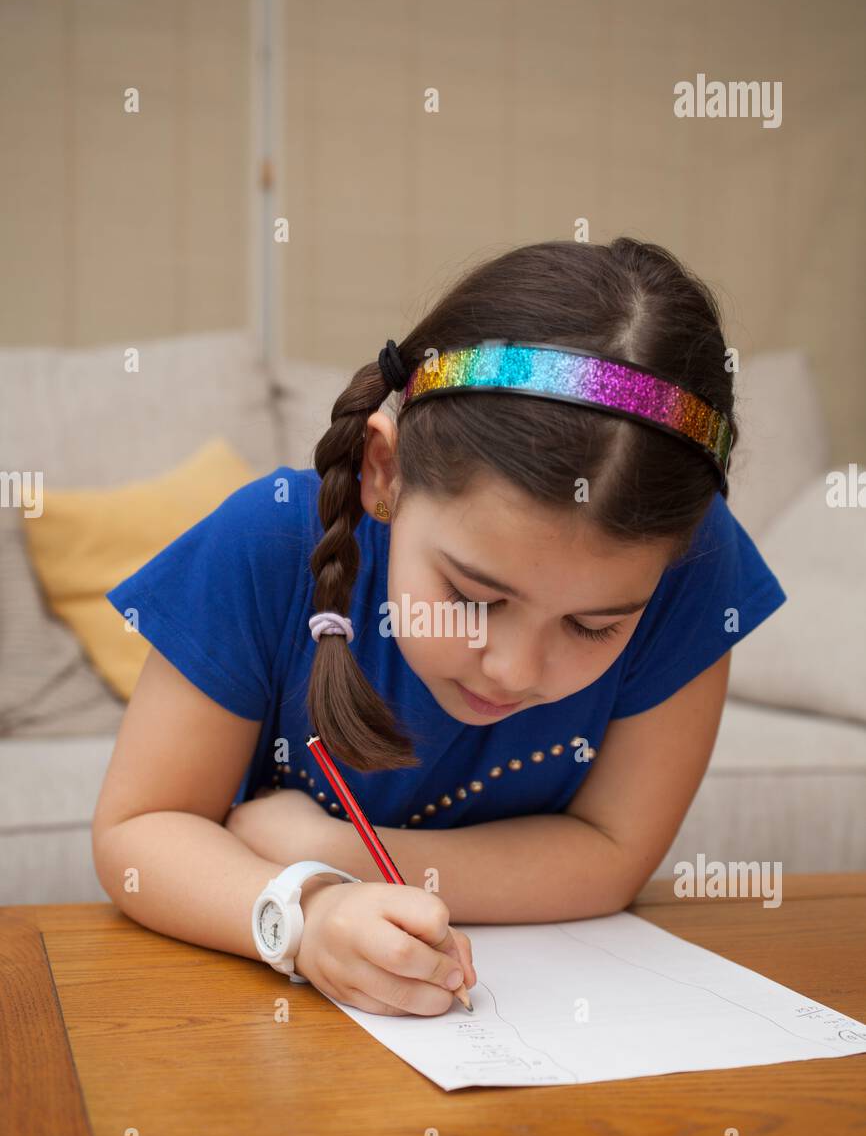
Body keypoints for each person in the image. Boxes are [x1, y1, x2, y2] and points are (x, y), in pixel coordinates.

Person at [93, 238, 786, 1017]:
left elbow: (613, 856)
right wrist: (307, 913)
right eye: (474, 597)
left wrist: (325, 852)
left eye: (593, 626)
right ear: (383, 472)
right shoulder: (267, 540)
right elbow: (139, 832)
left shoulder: (693, 566)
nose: (515, 670)